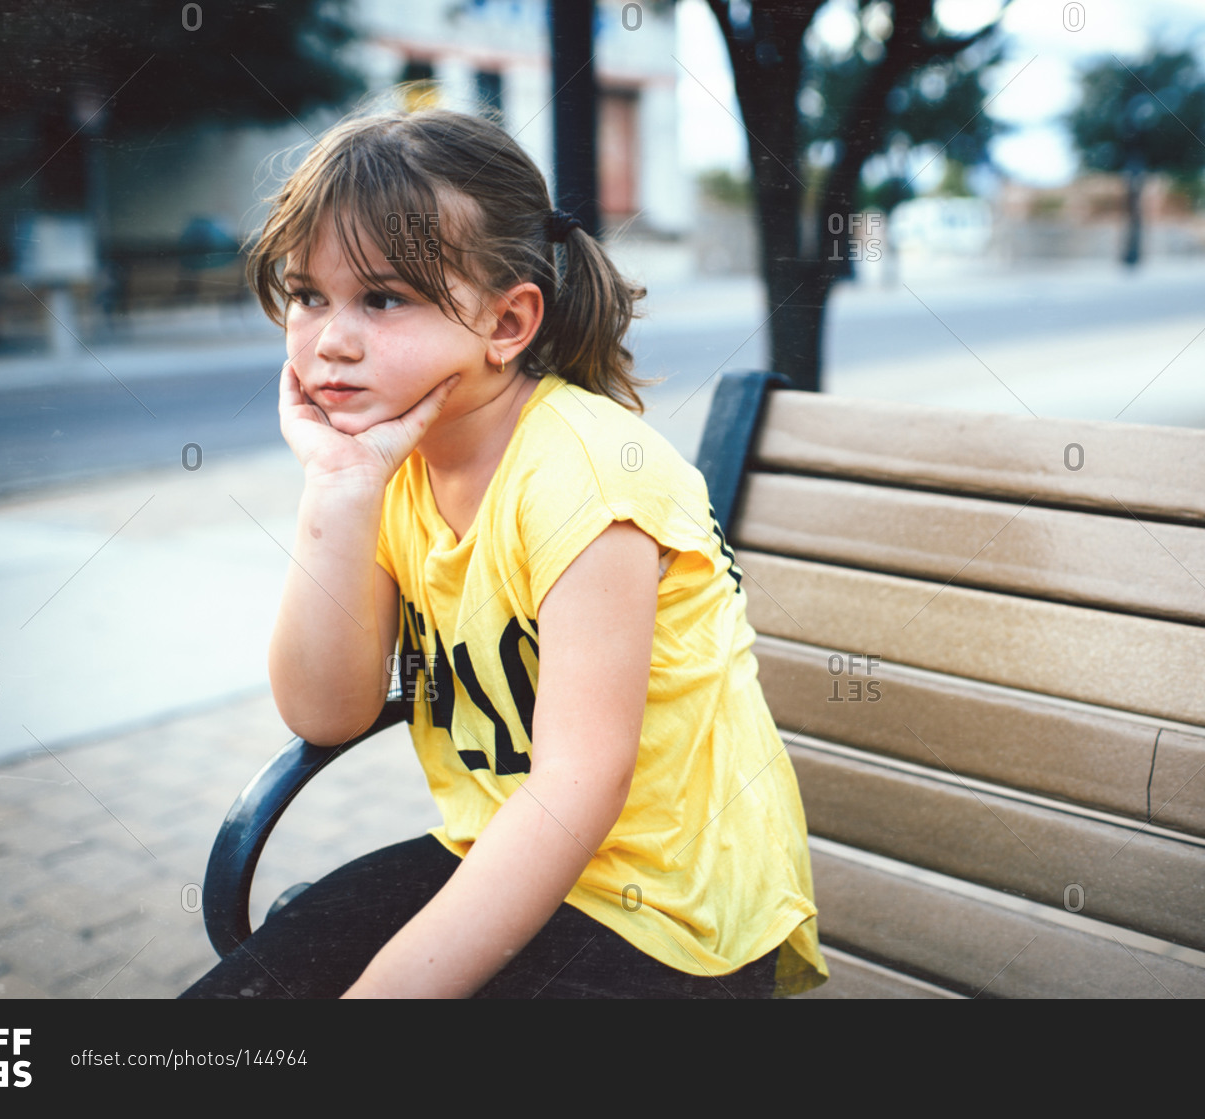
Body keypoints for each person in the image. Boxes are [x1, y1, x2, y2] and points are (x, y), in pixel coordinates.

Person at [181, 100, 826, 999]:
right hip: (497, 856)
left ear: (507, 323)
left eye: (384, 297)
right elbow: (326, 712)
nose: (330, 339)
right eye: (307, 295)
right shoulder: (390, 465)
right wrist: (336, 490)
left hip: (669, 916)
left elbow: (576, 789)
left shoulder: (587, 476)